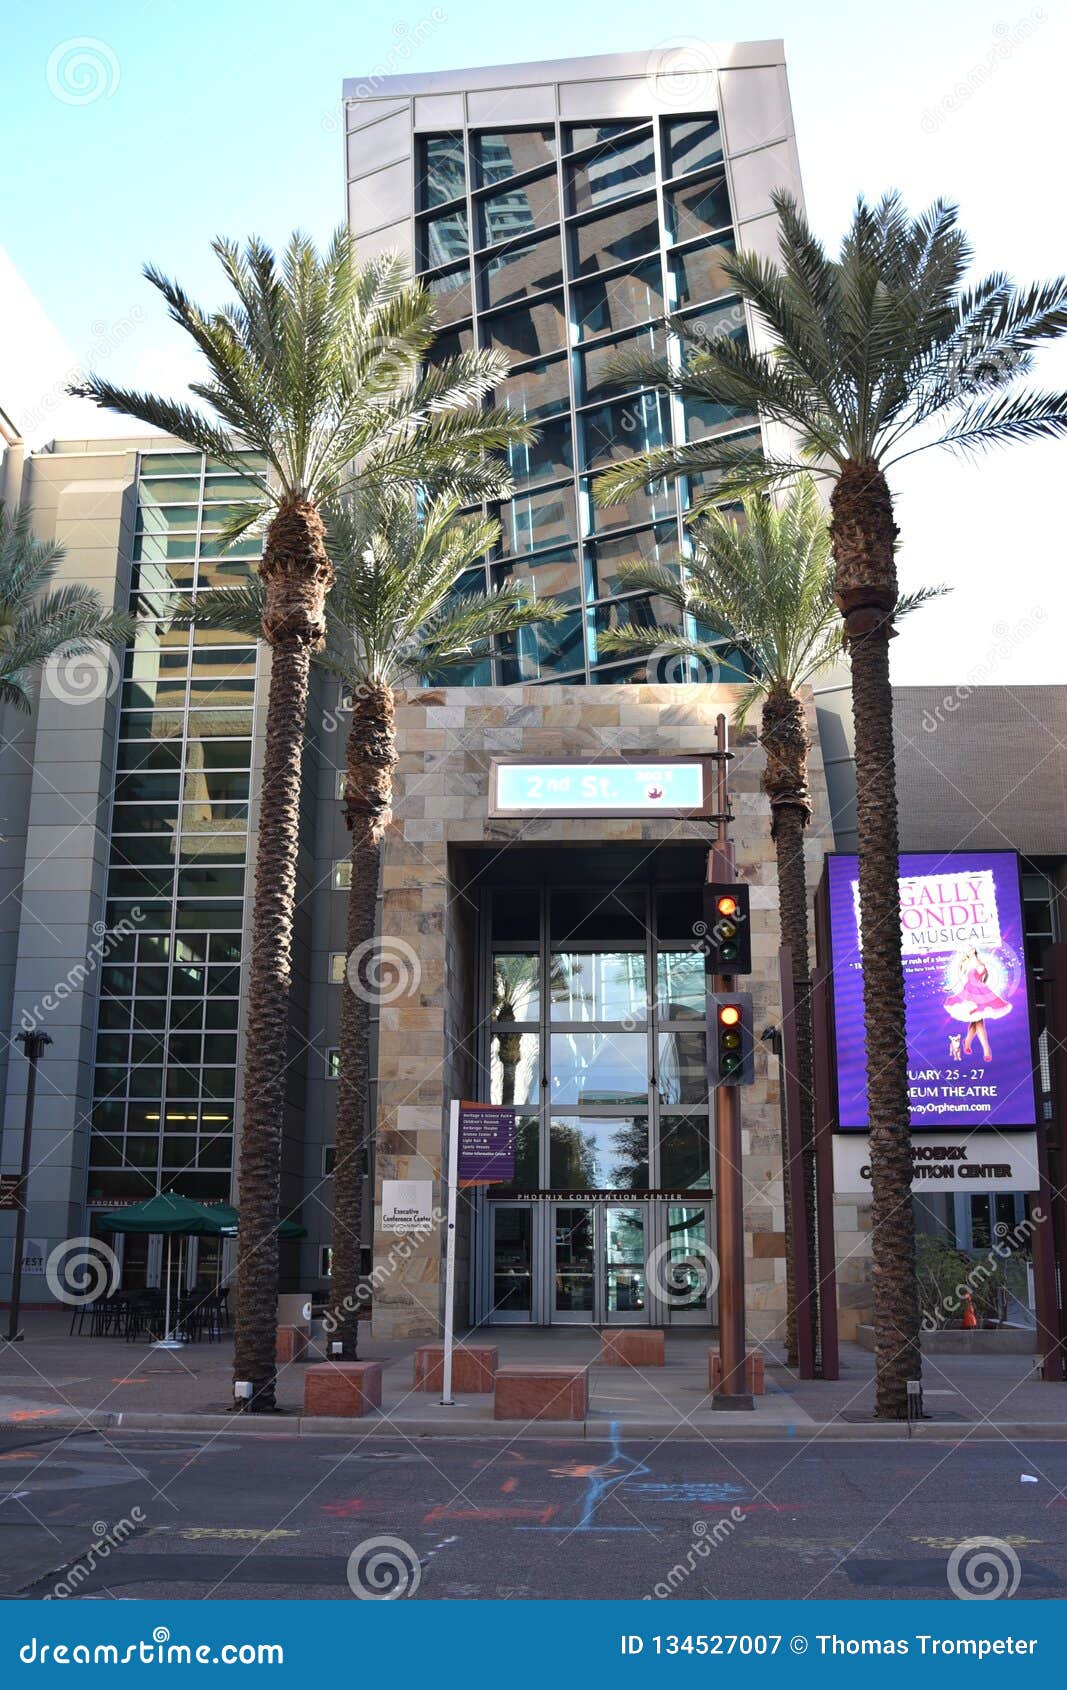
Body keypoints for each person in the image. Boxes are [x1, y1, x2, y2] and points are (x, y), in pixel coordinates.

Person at [944, 948, 1011, 1060]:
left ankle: (967, 1042)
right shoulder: (965, 963)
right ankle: (986, 1050)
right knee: (978, 1022)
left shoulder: (980, 962)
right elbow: (960, 977)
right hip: (970, 993)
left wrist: (983, 989)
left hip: (981, 992)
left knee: (977, 1020)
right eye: (968, 948)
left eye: (971, 947)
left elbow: (984, 977)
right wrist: (950, 987)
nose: (970, 948)